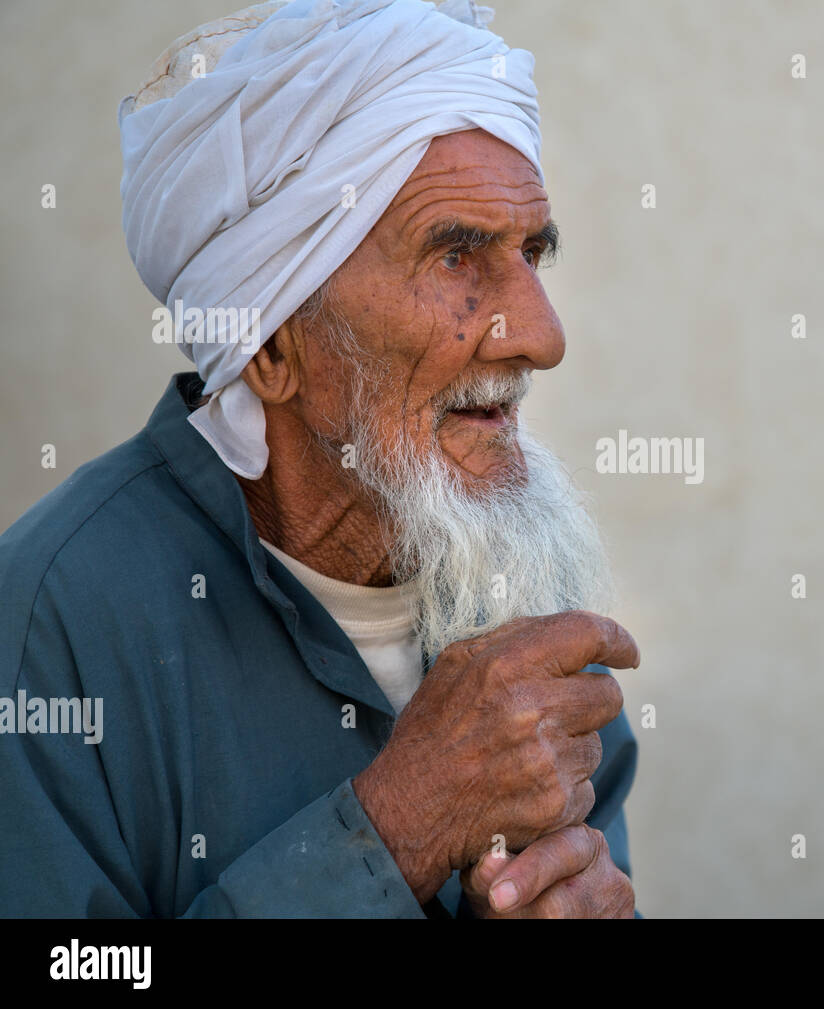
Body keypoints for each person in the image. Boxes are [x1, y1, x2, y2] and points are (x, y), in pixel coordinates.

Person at [0, 0, 642, 918]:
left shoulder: (531, 611)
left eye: (532, 251)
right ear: (271, 349)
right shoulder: (45, 638)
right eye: (457, 255)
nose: (540, 336)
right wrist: (397, 830)